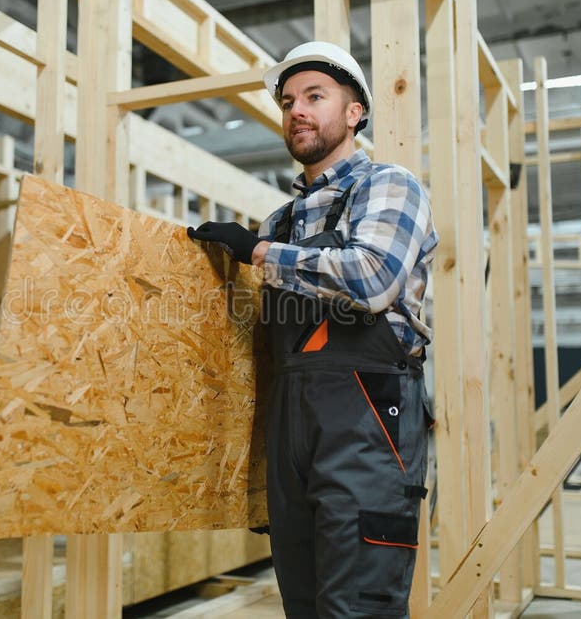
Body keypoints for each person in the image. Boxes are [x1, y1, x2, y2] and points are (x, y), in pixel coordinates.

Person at [187, 41, 438, 618]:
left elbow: (373, 277)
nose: (297, 109)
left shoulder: (388, 187)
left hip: (368, 418)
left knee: (357, 608)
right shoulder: (281, 221)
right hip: (293, 419)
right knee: (302, 603)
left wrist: (256, 251)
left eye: (315, 96)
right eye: (288, 101)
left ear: (354, 114)